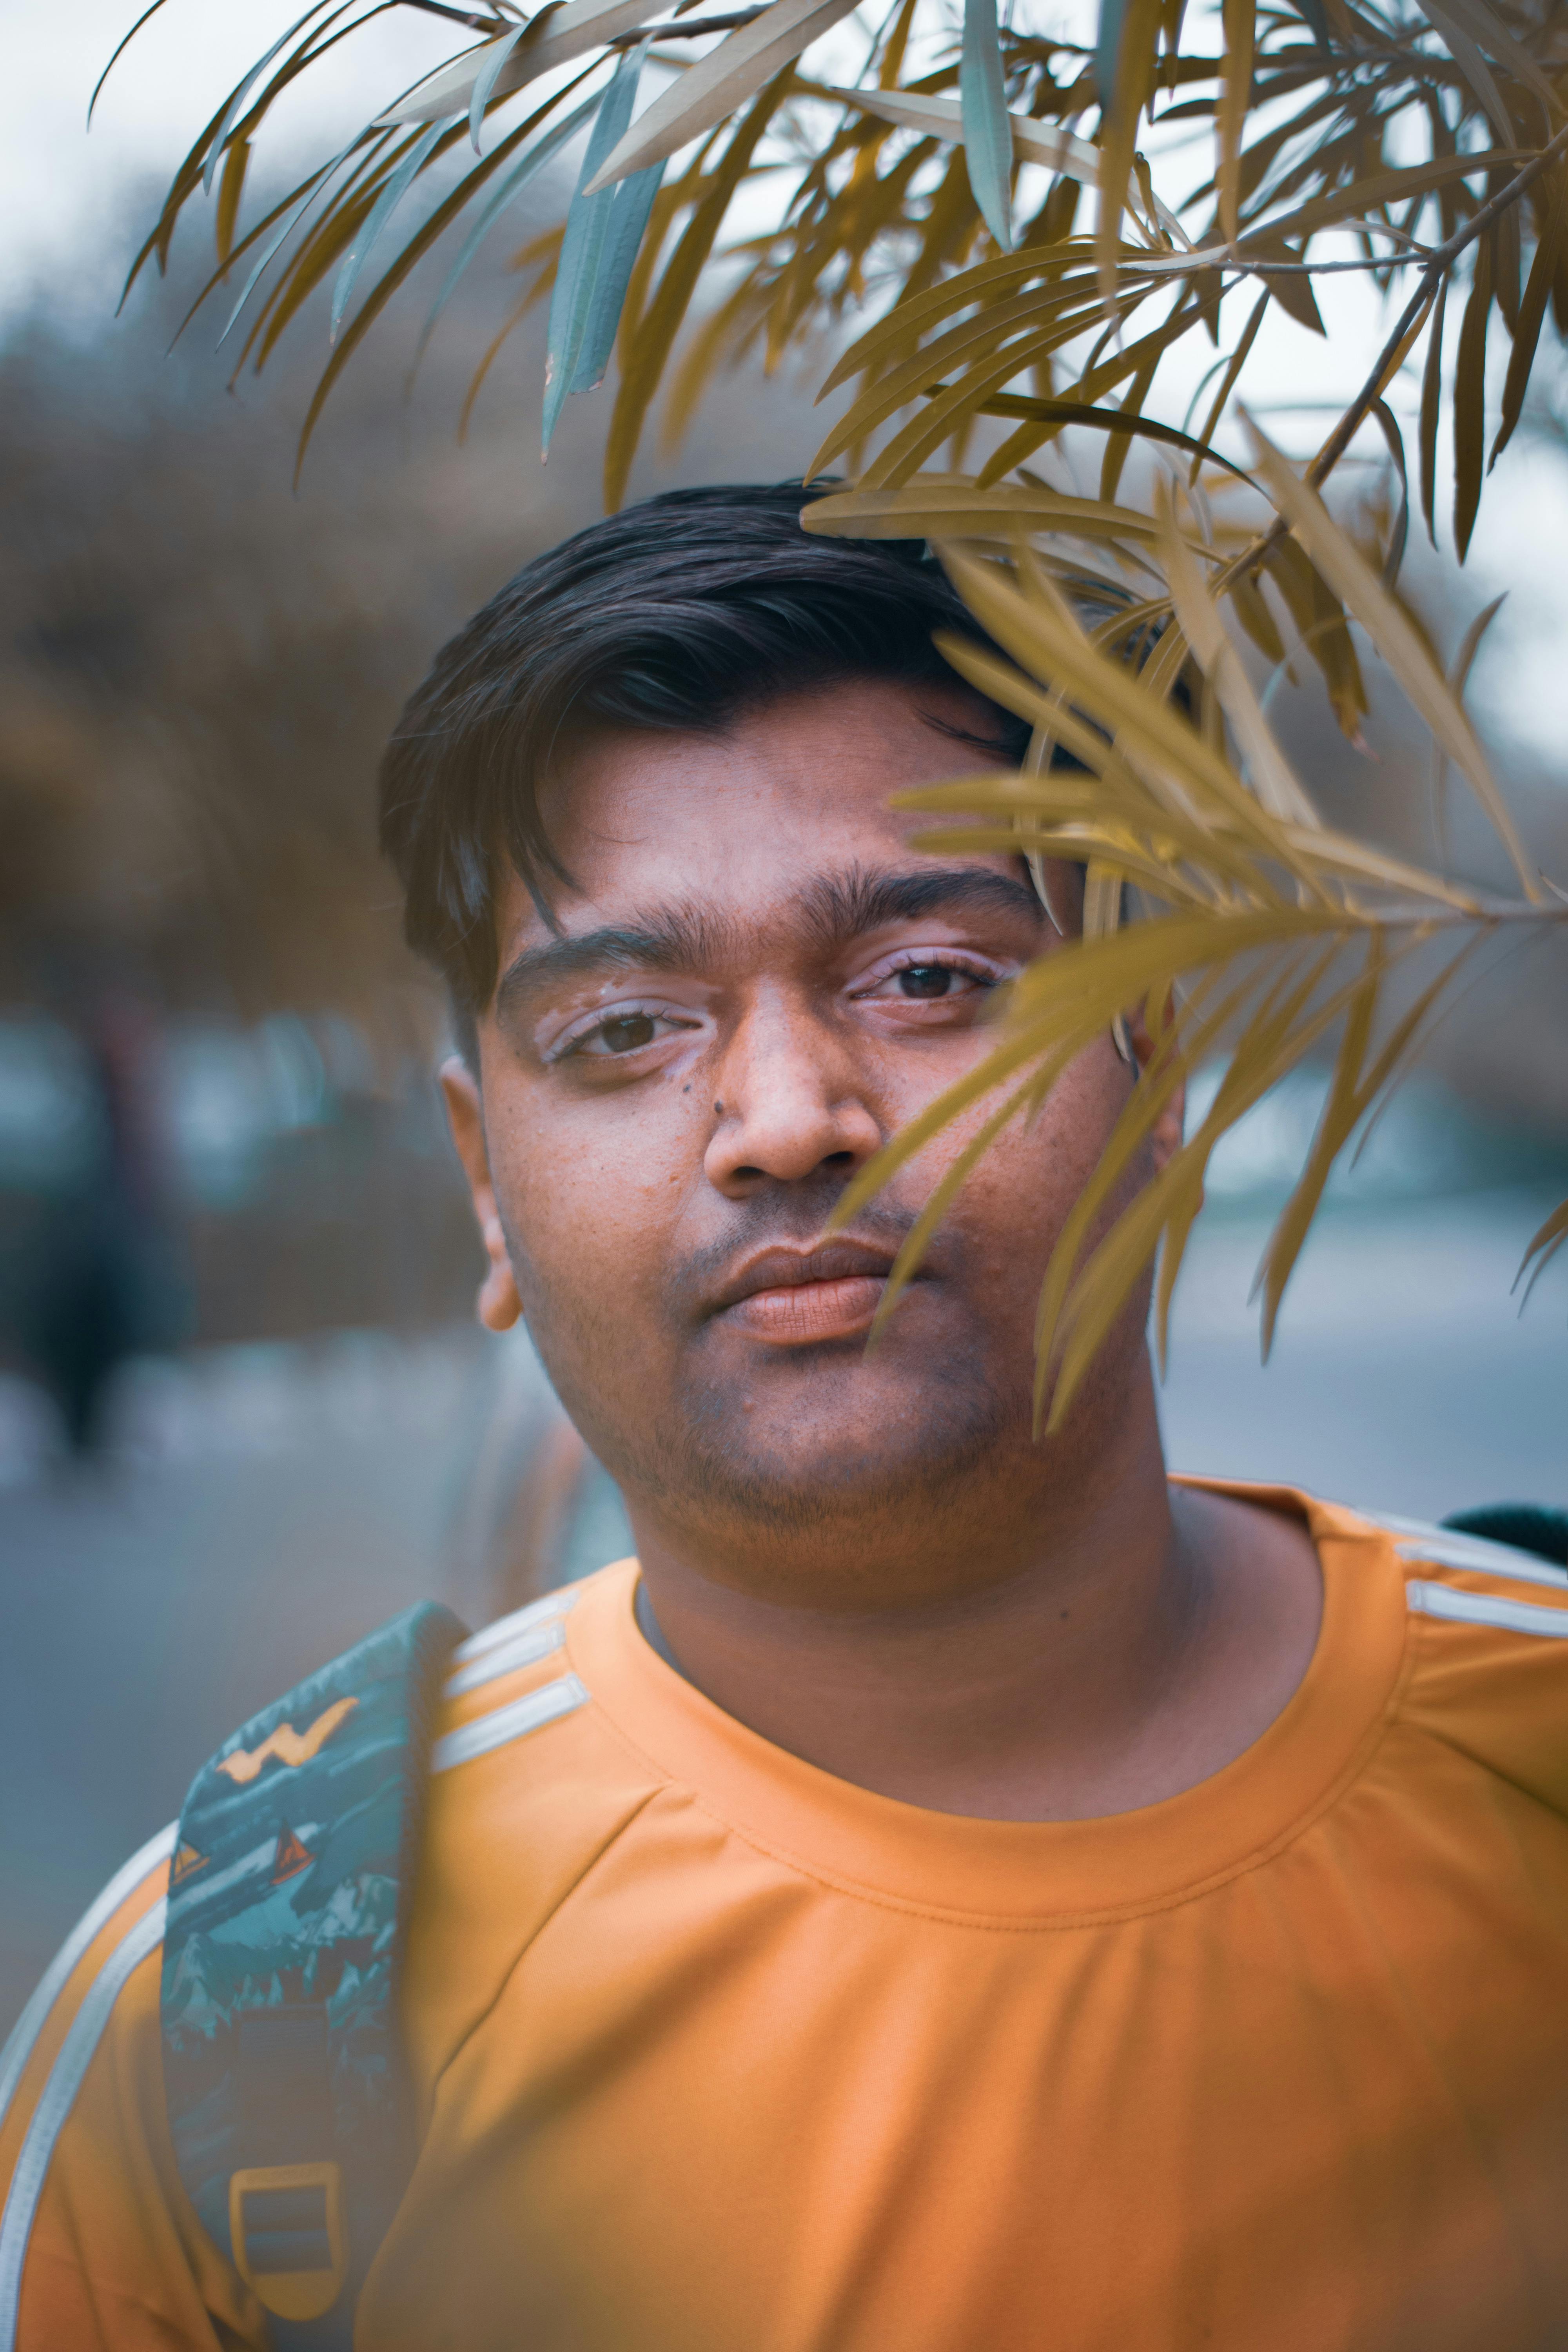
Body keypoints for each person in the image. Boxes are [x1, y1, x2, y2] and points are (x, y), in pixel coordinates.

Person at [4, 482, 1566, 2352]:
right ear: (484, 1182)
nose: (782, 1113)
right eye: (621, 1033)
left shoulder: (1533, 1765)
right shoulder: (226, 2003)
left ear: (1161, 1060)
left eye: (927, 979)